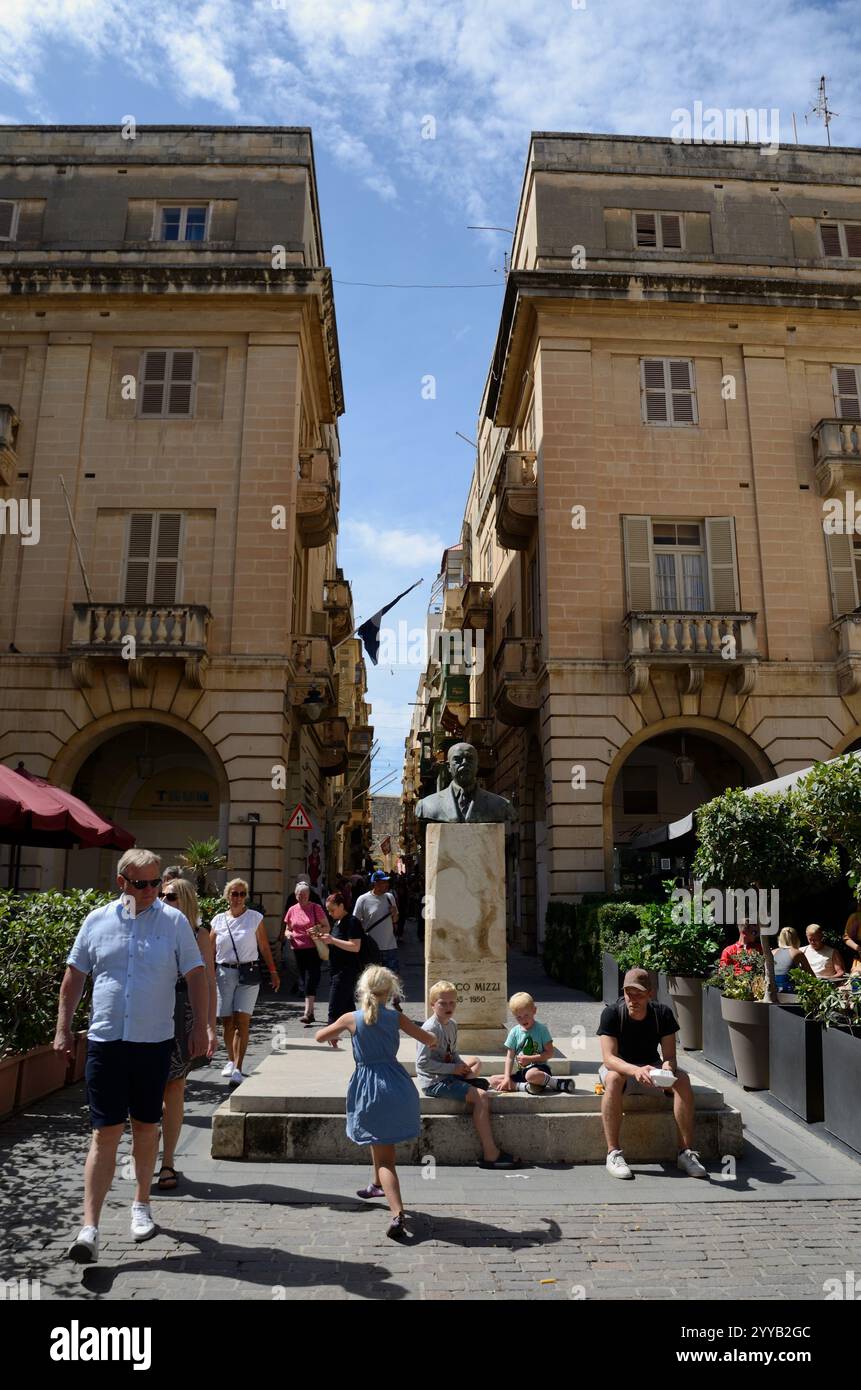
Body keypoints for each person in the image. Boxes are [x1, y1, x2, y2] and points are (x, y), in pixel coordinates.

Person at [54, 849, 207, 1264]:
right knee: (104, 1132)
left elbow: (197, 974)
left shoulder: (173, 921)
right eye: (142, 884)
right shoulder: (97, 920)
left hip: (153, 1041)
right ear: (121, 882)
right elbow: (74, 976)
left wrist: (201, 1026)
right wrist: (63, 1028)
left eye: (156, 882)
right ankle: (90, 1227)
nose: (152, 890)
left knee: (145, 1125)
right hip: (106, 1041)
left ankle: (142, 1204)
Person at [315, 966, 436, 1240]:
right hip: (396, 1085)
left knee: (386, 1160)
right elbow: (429, 1039)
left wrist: (336, 1034)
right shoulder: (396, 1018)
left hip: (368, 1088)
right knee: (379, 1139)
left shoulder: (351, 1018)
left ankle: (397, 1213)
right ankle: (375, 1185)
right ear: (390, 992)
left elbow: (319, 1036)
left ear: (362, 990)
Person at [597, 967, 707, 1181]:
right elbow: (608, 1058)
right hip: (621, 1068)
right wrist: (635, 1070)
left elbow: (669, 1056)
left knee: (682, 1080)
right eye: (629, 993)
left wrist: (667, 1069)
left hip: (651, 1067)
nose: (633, 999)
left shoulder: (662, 1013)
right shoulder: (611, 1013)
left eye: (639, 993)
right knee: (612, 1078)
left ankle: (685, 1152)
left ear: (650, 994)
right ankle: (613, 1153)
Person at [157, 874, 218, 1191]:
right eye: (162, 895)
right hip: (151, 1011)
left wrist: (209, 1025)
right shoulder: (151, 927)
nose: (162, 899)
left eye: (170, 896)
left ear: (185, 900)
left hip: (183, 1014)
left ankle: (167, 1162)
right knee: (145, 1088)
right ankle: (147, 1147)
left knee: (174, 1086)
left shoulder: (198, 934)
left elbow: (208, 981)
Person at [416, 980, 516, 1170]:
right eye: (442, 1003)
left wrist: (460, 1066)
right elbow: (422, 1063)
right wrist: (452, 1070)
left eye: (452, 1002)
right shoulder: (430, 1028)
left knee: (475, 1062)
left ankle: (477, 1082)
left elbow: (452, 1053)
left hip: (449, 1072)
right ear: (432, 1005)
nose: (448, 1007)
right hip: (434, 1081)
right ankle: (490, 1153)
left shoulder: (452, 1024)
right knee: (482, 1096)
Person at [212, 878, 280, 1082]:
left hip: (249, 972)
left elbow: (264, 947)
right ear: (227, 896)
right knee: (227, 1021)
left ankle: (238, 1069)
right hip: (224, 973)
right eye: (234, 893)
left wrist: (273, 971)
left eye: (242, 894)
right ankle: (231, 1060)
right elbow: (208, 950)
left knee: (242, 1020)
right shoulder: (218, 920)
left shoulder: (255, 918)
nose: (238, 898)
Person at [488, 992, 576, 1094]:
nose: (523, 1019)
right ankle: (527, 1087)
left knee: (531, 1075)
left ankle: (555, 1083)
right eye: (518, 1017)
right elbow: (510, 1057)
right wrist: (507, 1077)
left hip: (539, 1070)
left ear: (534, 1011)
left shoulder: (541, 1030)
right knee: (493, 1080)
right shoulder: (514, 1032)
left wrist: (530, 1059)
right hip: (522, 1072)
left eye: (526, 1015)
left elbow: (550, 1053)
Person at [318, 891, 364, 1046]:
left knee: (334, 1007)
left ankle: (331, 1037)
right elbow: (335, 944)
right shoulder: (337, 923)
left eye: (332, 910)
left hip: (346, 971)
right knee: (348, 1008)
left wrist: (332, 940)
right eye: (328, 910)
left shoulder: (351, 922)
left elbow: (355, 946)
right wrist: (322, 939)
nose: (330, 914)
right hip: (336, 970)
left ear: (342, 906)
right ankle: (362, 1038)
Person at [284, 882, 329, 1025]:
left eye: (304, 895)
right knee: (303, 979)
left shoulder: (316, 908)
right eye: (298, 895)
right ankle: (310, 1013)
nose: (301, 897)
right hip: (298, 949)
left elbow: (327, 927)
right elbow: (287, 929)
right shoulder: (292, 910)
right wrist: (289, 934)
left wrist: (316, 930)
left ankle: (307, 1013)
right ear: (295, 895)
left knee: (311, 978)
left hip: (314, 948)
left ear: (309, 895)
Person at [353, 871, 400, 973]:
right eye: (384, 882)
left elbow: (395, 920)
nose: (387, 884)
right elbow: (355, 922)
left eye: (387, 882)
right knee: (373, 981)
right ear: (375, 883)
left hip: (390, 947)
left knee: (393, 980)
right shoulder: (363, 899)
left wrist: (395, 913)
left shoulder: (389, 897)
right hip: (371, 948)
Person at [771, 926, 814, 993]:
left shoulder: (772, 952)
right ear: (796, 939)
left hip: (773, 988)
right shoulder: (797, 953)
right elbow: (810, 974)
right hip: (790, 990)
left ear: (780, 939)